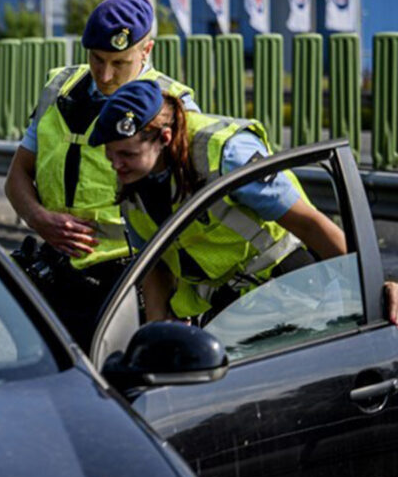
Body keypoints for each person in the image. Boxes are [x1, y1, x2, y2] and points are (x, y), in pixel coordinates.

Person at [89, 79, 398, 324]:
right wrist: (157, 326)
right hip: (229, 312)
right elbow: (153, 263)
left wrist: (376, 285)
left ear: (164, 138)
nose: (115, 165)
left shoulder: (226, 155)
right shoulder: (133, 179)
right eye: (110, 154)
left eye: (126, 154)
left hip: (296, 292)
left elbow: (310, 224)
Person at [4, 0, 198, 347]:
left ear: (146, 51)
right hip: (53, 275)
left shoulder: (173, 105)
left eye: (120, 63)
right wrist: (38, 217)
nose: (105, 74)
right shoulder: (60, 88)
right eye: (97, 59)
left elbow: (189, 209)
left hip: (131, 280)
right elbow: (17, 174)